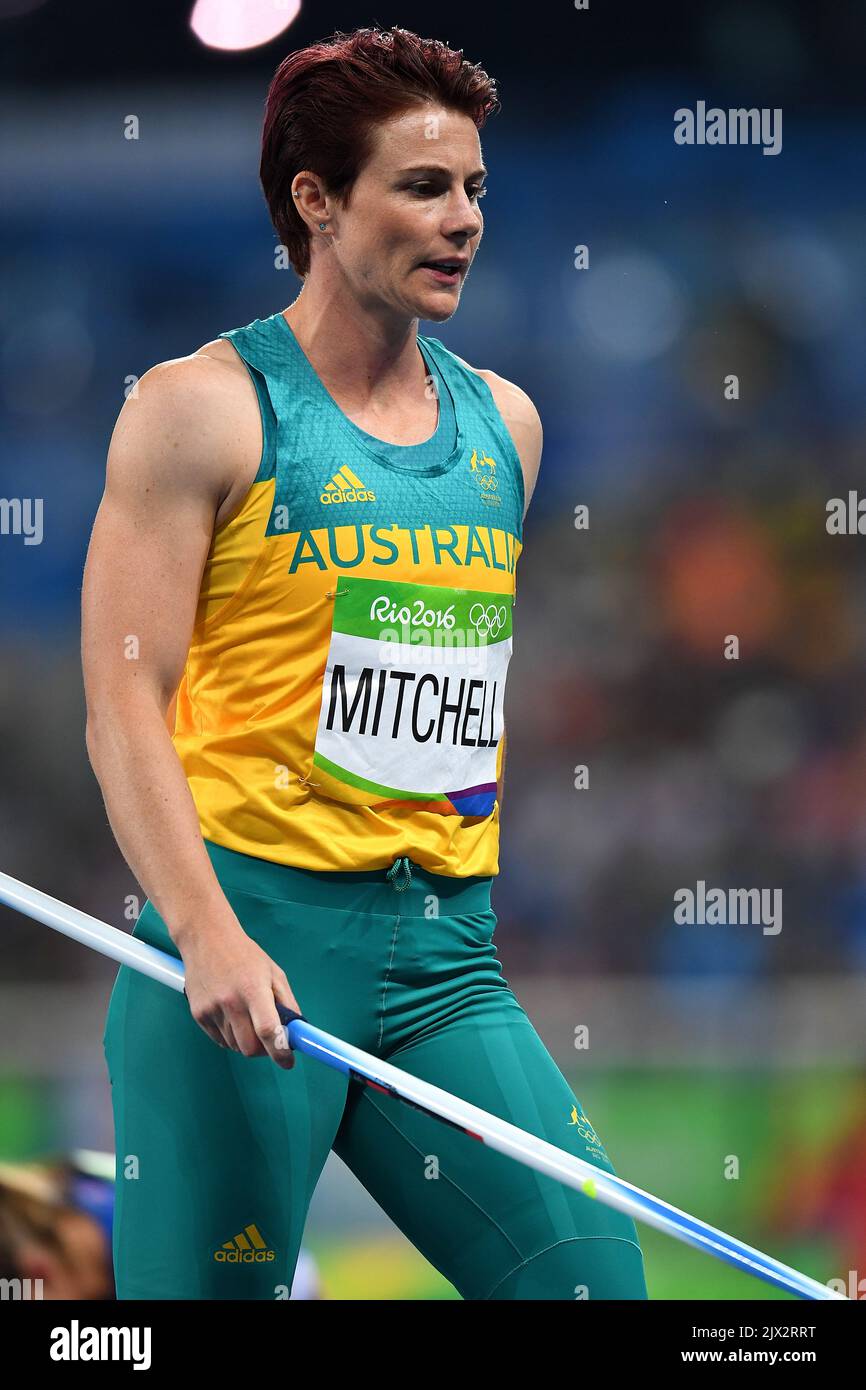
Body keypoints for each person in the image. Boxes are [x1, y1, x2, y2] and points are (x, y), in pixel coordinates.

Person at [82, 25, 647, 1300]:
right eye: (423, 187)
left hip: (449, 965)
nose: (462, 221)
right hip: (244, 951)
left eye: (475, 190)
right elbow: (122, 698)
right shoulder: (199, 408)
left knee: (595, 1287)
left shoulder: (507, 424)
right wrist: (202, 931)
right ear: (316, 201)